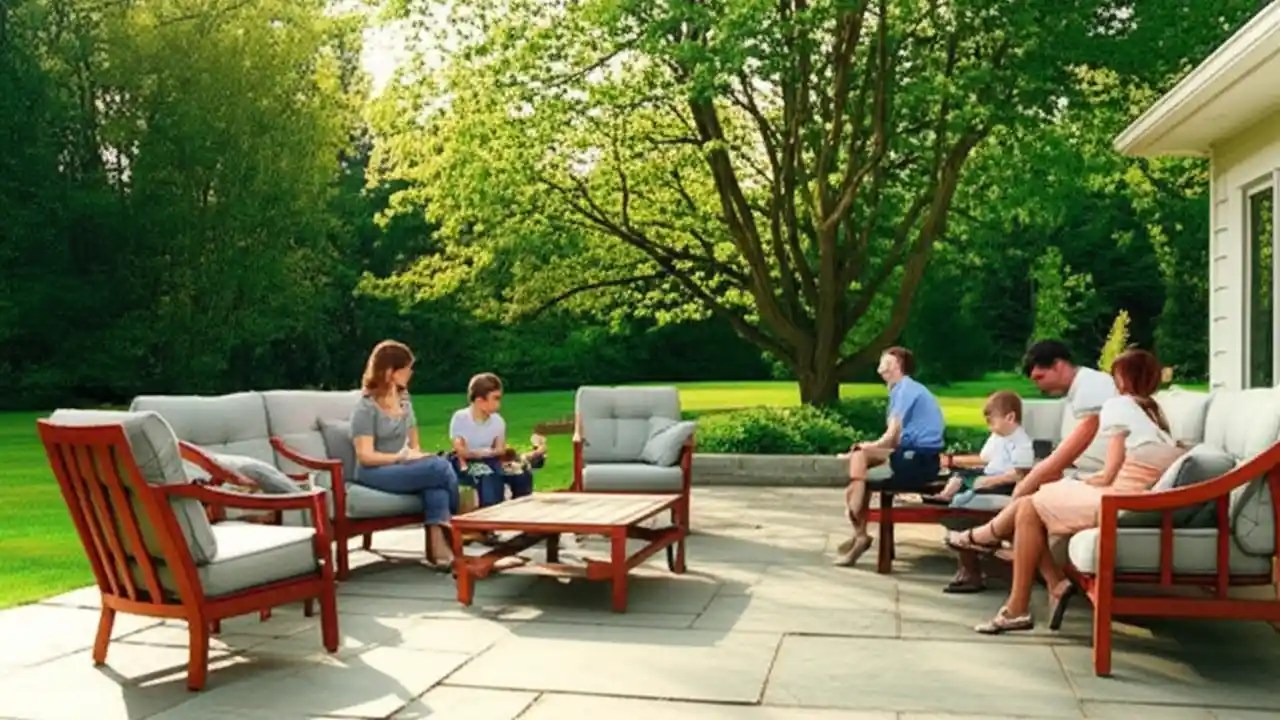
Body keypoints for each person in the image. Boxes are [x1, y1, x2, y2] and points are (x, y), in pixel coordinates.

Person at [946, 348, 1183, 633]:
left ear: (1122, 378)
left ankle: (984, 540)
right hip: (1134, 495)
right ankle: (1039, 591)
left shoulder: (1119, 407)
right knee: (1029, 507)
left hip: (1117, 499)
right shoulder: (1157, 414)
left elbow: (1112, 468)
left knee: (1032, 501)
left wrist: (1088, 481)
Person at [946, 340, 1119, 588]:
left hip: (1102, 476)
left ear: (1059, 366)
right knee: (1022, 497)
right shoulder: (1082, 388)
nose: (1037, 384)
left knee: (1025, 497)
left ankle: (990, 539)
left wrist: (1034, 476)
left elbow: (1077, 445)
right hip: (1088, 472)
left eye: (1040, 376)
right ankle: (1050, 580)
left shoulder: (1091, 386)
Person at [350, 340, 460, 569]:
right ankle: (463, 527)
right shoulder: (366, 407)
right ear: (390, 371)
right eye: (407, 368)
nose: (411, 373)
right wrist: (402, 458)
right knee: (440, 468)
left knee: (436, 483)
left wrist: (416, 456)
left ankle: (439, 552)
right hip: (374, 471)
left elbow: (414, 444)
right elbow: (365, 456)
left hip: (402, 465)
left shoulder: (405, 401)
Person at [834, 346, 946, 567]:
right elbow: (894, 441)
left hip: (919, 459)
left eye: (887, 362)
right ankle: (860, 533)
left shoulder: (906, 388)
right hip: (912, 455)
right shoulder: (899, 390)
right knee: (858, 468)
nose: (882, 366)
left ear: (898, 367)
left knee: (859, 463)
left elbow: (891, 437)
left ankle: (856, 516)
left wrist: (869, 447)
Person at [926, 391, 1035, 594]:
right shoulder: (999, 437)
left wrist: (989, 480)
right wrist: (954, 462)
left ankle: (971, 568)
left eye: (991, 422)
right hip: (990, 476)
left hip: (1005, 484)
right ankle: (968, 563)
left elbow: (1021, 476)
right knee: (961, 480)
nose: (989, 427)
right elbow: (985, 458)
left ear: (1010, 418)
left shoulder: (1022, 443)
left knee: (963, 498)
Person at [448, 372, 546, 508]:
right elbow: (462, 452)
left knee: (522, 473)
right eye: (495, 398)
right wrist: (488, 453)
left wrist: (491, 455)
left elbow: (500, 450)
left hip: (492, 461)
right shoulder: (460, 418)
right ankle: (489, 521)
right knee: (488, 474)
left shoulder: (498, 421)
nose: (499, 403)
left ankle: (522, 514)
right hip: (464, 464)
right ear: (479, 401)